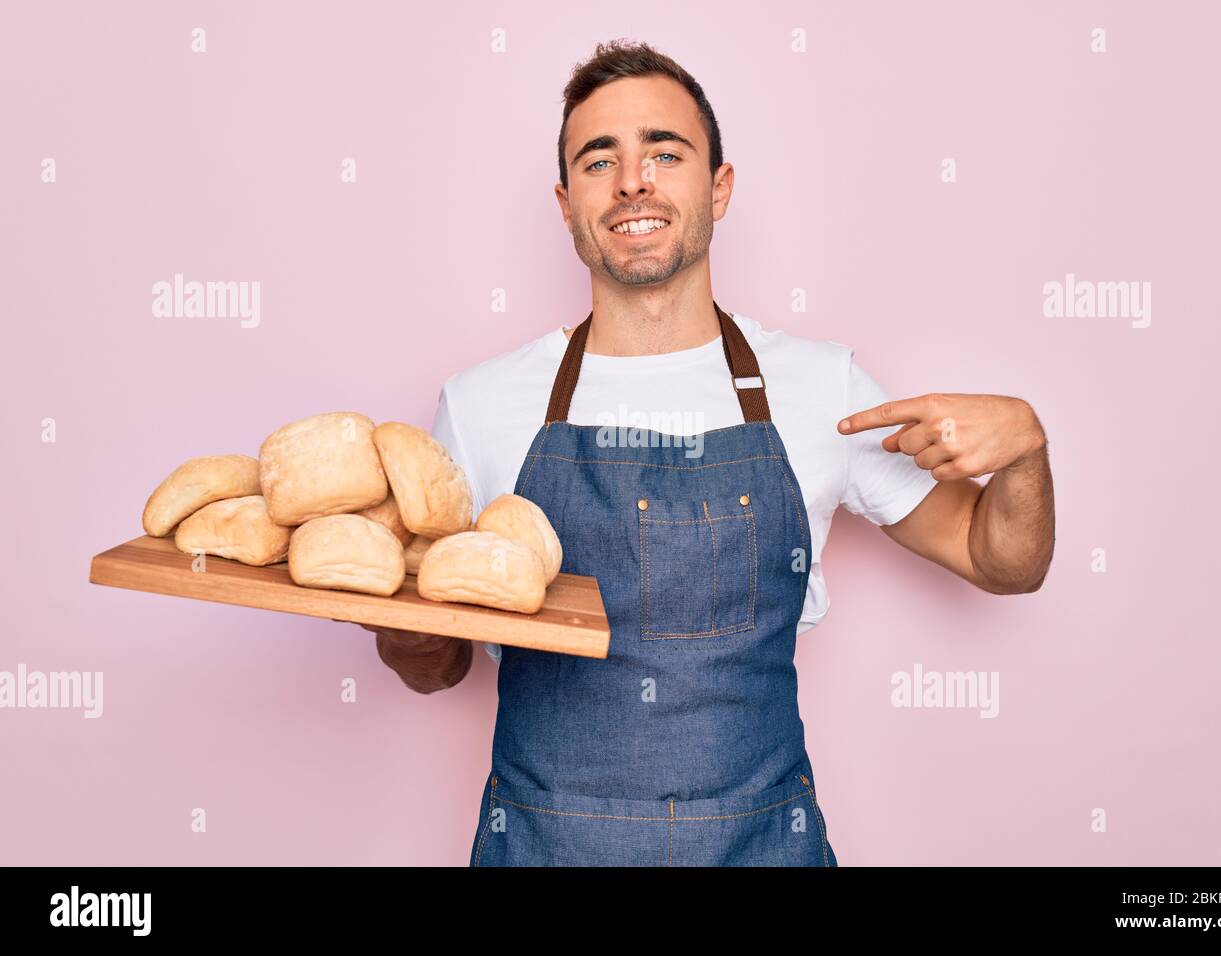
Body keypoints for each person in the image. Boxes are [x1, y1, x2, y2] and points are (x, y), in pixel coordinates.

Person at [363, 40, 1054, 867]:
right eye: (598, 160)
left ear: (719, 188)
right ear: (565, 202)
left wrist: (1026, 453)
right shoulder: (480, 404)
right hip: (543, 846)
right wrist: (395, 625)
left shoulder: (821, 386)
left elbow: (1003, 561)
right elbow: (435, 669)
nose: (632, 181)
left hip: (761, 846)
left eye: (665, 151)